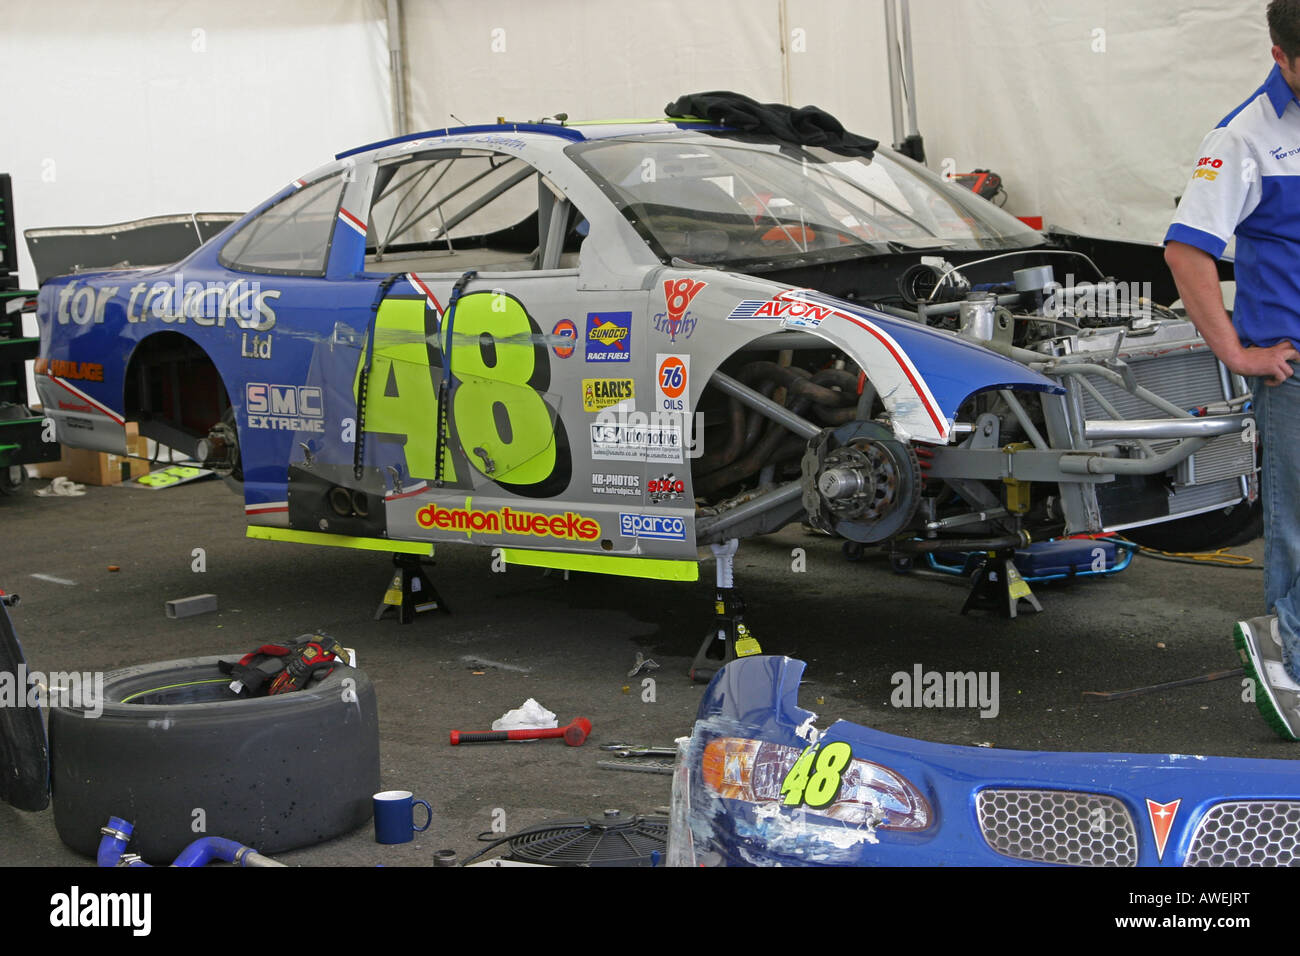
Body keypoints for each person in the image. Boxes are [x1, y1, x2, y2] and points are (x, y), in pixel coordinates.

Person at [1164, 0, 1300, 739]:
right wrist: (1237, 352)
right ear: (1281, 57)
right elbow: (1188, 251)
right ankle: (1291, 659)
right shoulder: (1244, 137)